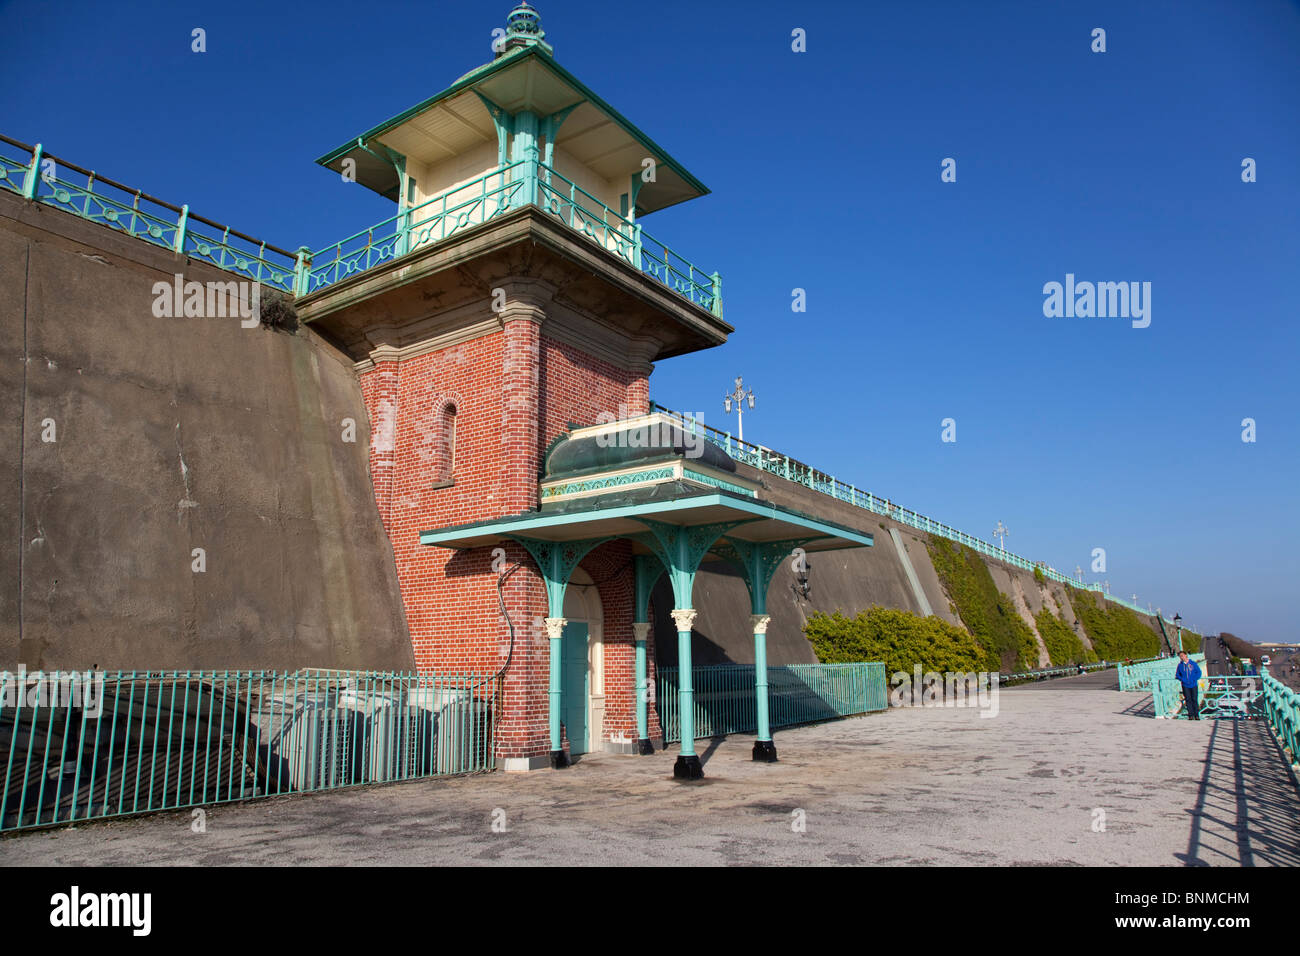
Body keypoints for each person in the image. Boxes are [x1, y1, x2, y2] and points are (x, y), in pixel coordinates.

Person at [1175, 650, 1202, 720]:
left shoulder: (1193, 664)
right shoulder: (1180, 665)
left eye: (1182, 655)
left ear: (1186, 655)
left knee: (1194, 699)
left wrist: (1194, 679)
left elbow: (1198, 672)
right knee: (1188, 700)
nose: (1181, 657)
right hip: (1185, 685)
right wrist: (1182, 679)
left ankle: (1197, 715)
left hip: (1193, 684)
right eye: (1180, 656)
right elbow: (1177, 674)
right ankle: (1190, 715)